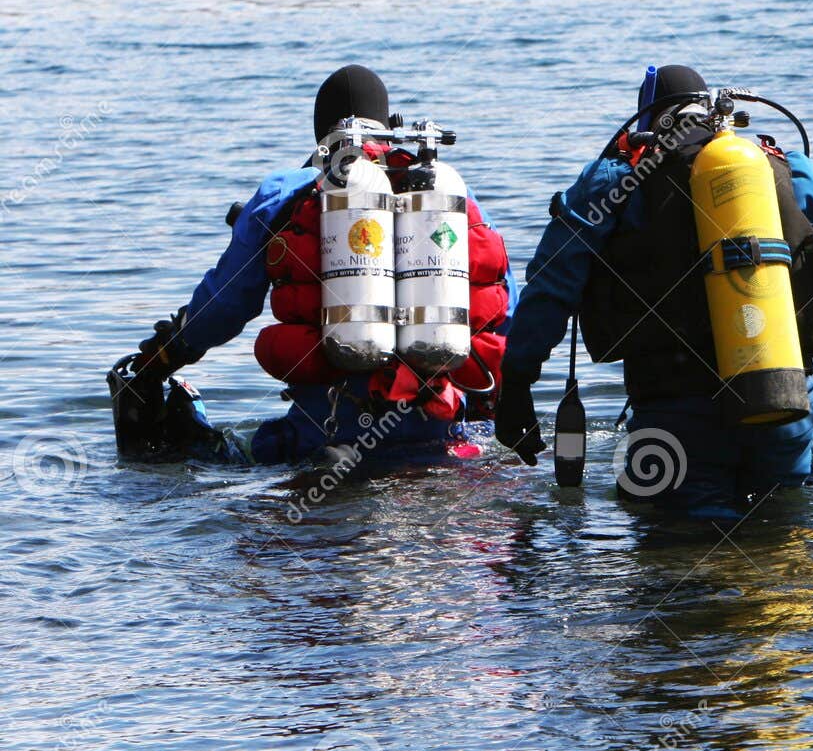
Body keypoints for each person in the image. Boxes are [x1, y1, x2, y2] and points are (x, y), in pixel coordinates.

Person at [495, 65, 813, 519]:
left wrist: (519, 383)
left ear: (647, 120)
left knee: (675, 548)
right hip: (784, 398)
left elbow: (550, 287)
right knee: (784, 533)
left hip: (675, 411)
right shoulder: (786, 170)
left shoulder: (615, 182)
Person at [117, 65, 516, 464]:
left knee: (197, 447)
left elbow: (222, 307)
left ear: (319, 133)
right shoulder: (446, 194)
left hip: (324, 434)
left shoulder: (288, 193)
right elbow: (504, 307)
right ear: (385, 123)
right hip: (441, 434)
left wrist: (165, 355)